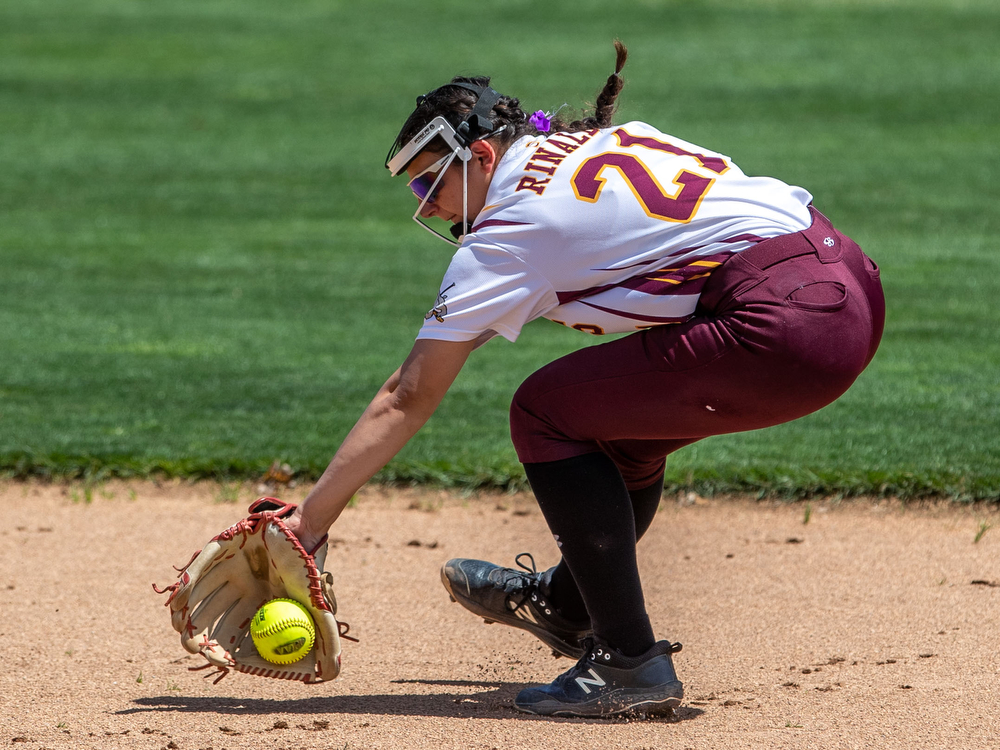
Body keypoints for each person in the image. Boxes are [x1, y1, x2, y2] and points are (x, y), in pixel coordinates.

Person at [285, 41, 885, 718]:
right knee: (618, 439)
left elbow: (409, 393)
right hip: (849, 285)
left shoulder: (511, 227)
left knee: (543, 413)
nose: (428, 208)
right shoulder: (586, 147)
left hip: (789, 328)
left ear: (482, 158)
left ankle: (629, 664)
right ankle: (568, 605)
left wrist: (309, 521)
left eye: (432, 184)